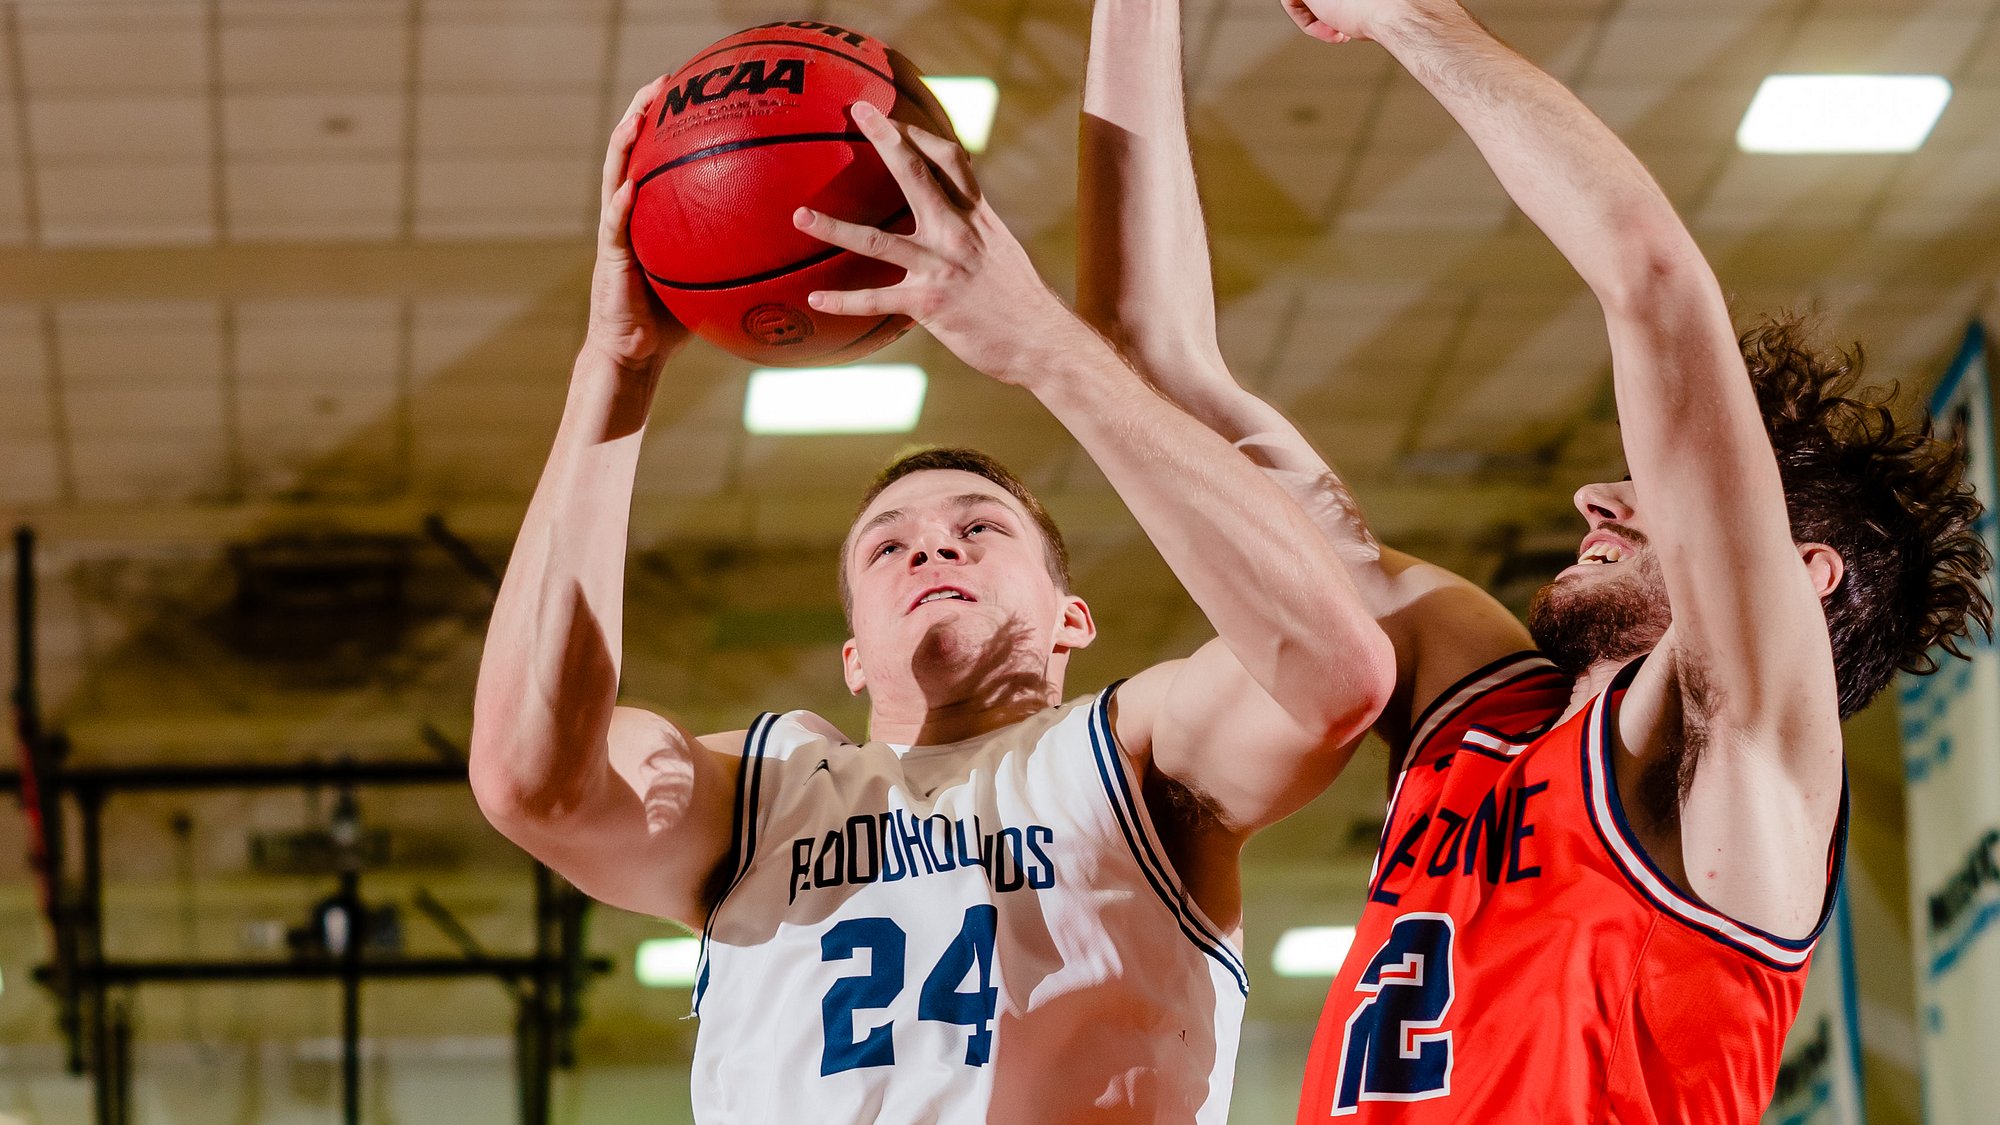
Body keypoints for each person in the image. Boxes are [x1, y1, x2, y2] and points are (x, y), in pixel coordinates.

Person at [1075, 0, 1992, 1120]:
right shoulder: (1476, 708)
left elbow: (1652, 283)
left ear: (1801, 581)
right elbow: (1152, 358)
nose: (1595, 495)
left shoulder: (1746, 771)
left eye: (1658, 490)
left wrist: (1407, 17)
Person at [468, 75, 1395, 1121]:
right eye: (887, 545)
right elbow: (529, 781)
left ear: (1072, 618)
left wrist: (1044, 346)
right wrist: (616, 370)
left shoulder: (1134, 754)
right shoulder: (763, 792)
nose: (932, 547)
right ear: (853, 657)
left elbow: (1338, 669)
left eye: (979, 528)